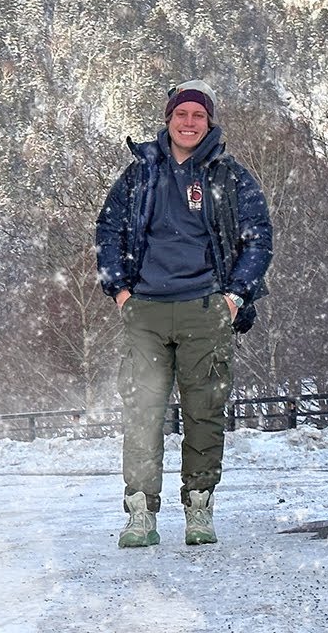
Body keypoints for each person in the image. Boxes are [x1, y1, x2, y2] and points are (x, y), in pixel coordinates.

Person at [94, 80, 273, 547]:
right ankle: (140, 514)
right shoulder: (141, 174)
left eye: (198, 115)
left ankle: (199, 508)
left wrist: (234, 297)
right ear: (168, 119)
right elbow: (108, 229)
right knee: (142, 414)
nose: (189, 123)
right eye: (181, 114)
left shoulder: (230, 177)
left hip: (205, 310)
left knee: (204, 414)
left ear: (209, 123)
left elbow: (259, 238)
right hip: (146, 312)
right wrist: (121, 292)